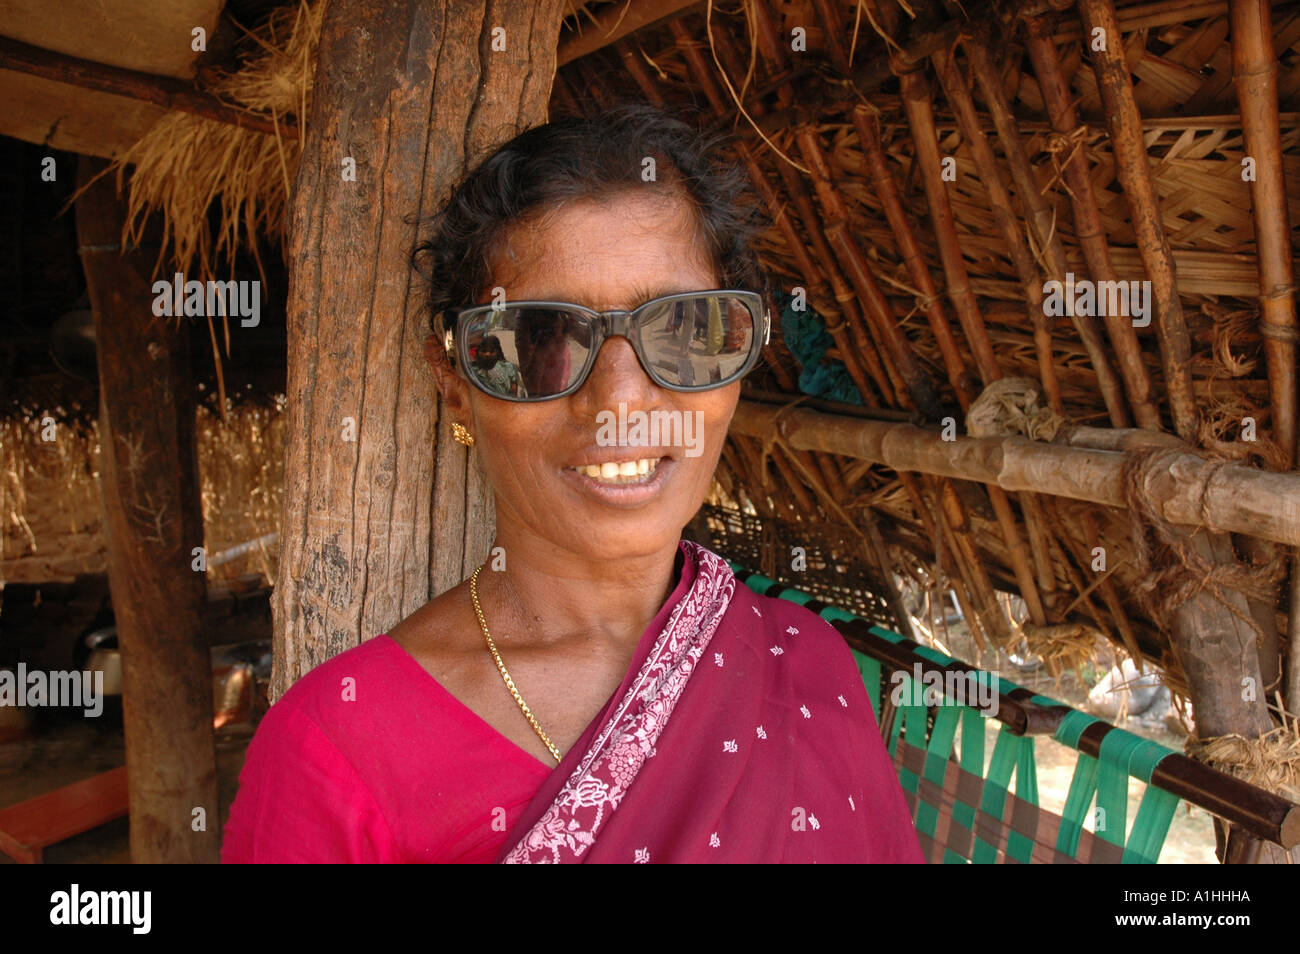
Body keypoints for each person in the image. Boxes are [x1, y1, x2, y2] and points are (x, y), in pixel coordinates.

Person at [220, 104, 923, 864]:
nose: (621, 403)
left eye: (684, 329)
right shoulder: (339, 748)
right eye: (541, 340)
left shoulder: (806, 663)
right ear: (454, 379)